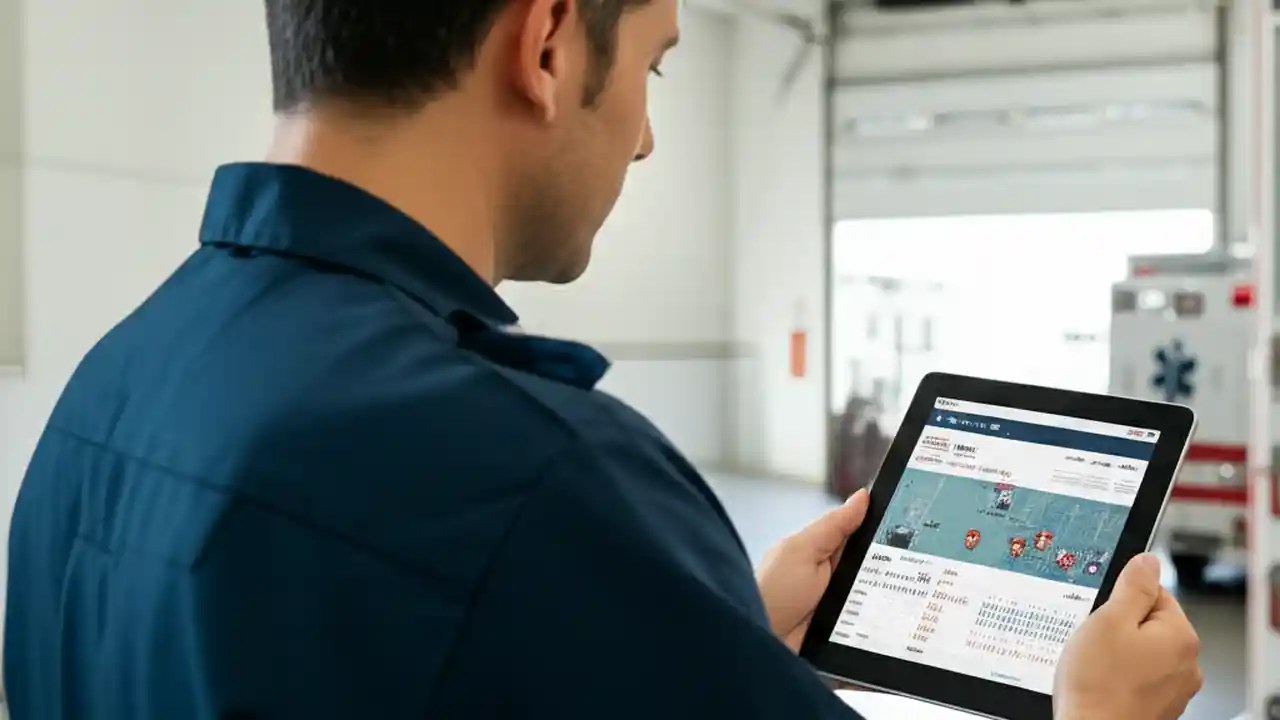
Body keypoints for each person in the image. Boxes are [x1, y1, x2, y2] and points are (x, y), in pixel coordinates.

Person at [4, 1, 1202, 718]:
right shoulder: (533, 480)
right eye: (653, 67)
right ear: (545, 44)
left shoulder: (110, 390)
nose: (639, 135)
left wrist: (708, 631)